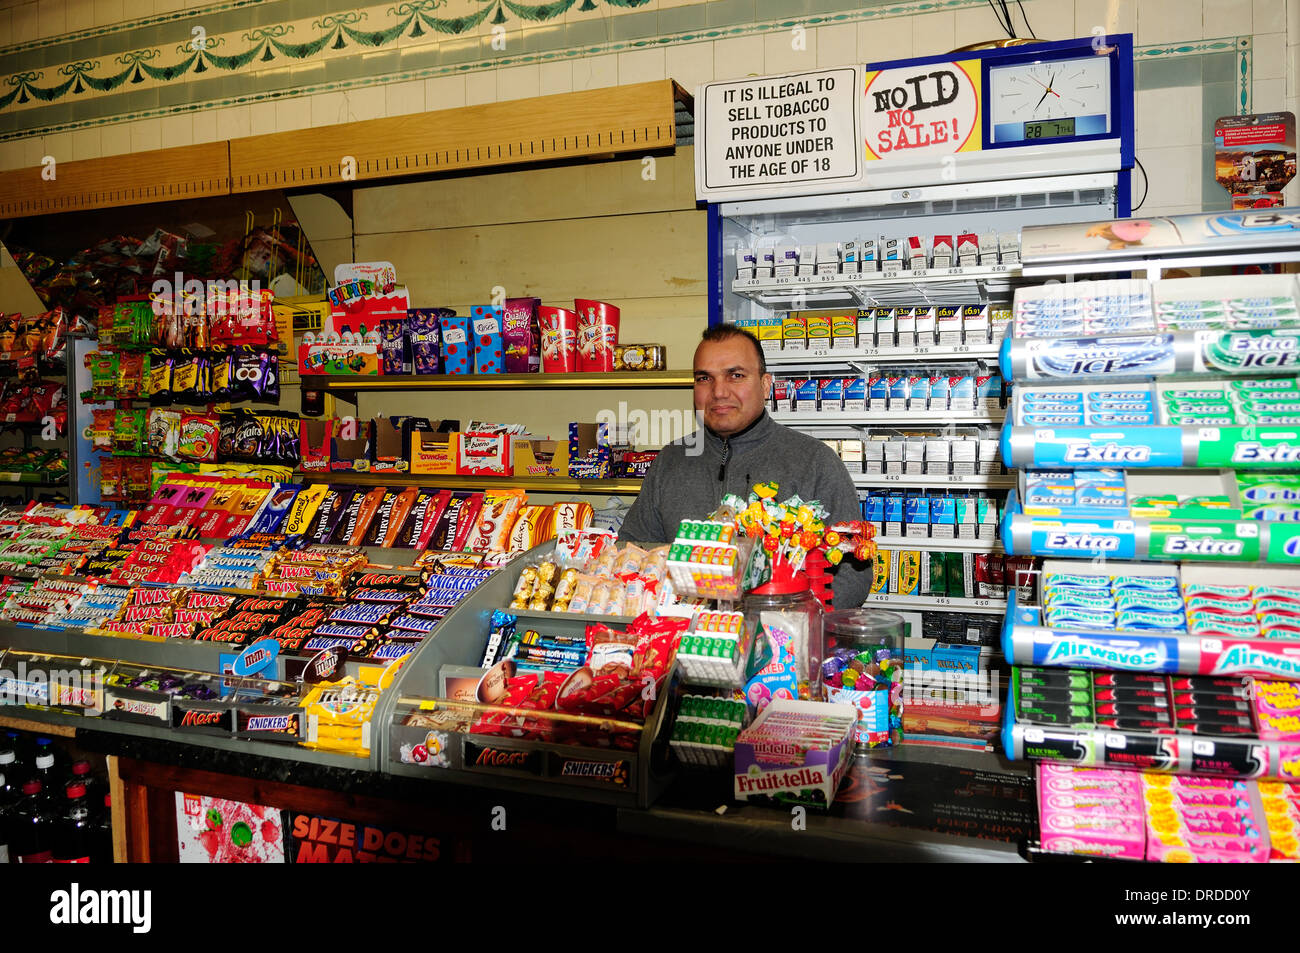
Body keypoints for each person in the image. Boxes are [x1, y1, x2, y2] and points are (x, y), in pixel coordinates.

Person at [619, 324, 870, 609]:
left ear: (765, 385)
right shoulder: (670, 460)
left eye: (735, 375)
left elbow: (852, 577)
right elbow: (635, 553)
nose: (719, 392)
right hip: (680, 640)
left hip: (781, 644)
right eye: (704, 378)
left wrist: (777, 626)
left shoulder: (815, 462)